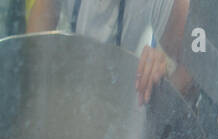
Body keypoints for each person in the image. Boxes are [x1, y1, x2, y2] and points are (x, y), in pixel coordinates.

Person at [27, 0, 192, 104]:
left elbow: (193, 67)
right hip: (68, 97)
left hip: (124, 108)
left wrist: (157, 90)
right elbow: (34, 48)